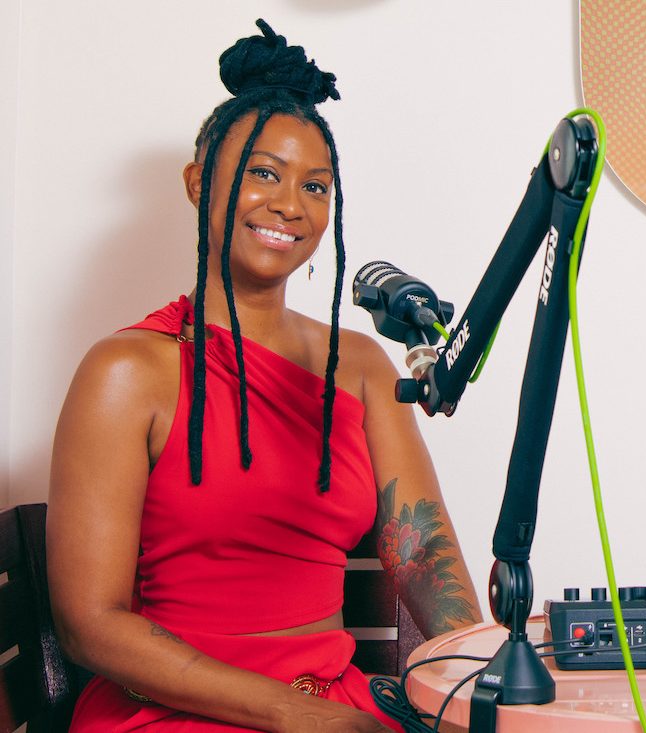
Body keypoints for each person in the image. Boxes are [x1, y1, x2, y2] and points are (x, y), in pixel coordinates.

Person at [47, 20, 480, 731]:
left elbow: (421, 554)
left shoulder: (362, 366)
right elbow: (90, 622)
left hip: (332, 702)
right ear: (198, 183)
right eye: (263, 172)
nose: (290, 204)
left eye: (315, 185)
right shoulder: (125, 372)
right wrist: (287, 713)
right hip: (175, 710)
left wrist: (474, 682)